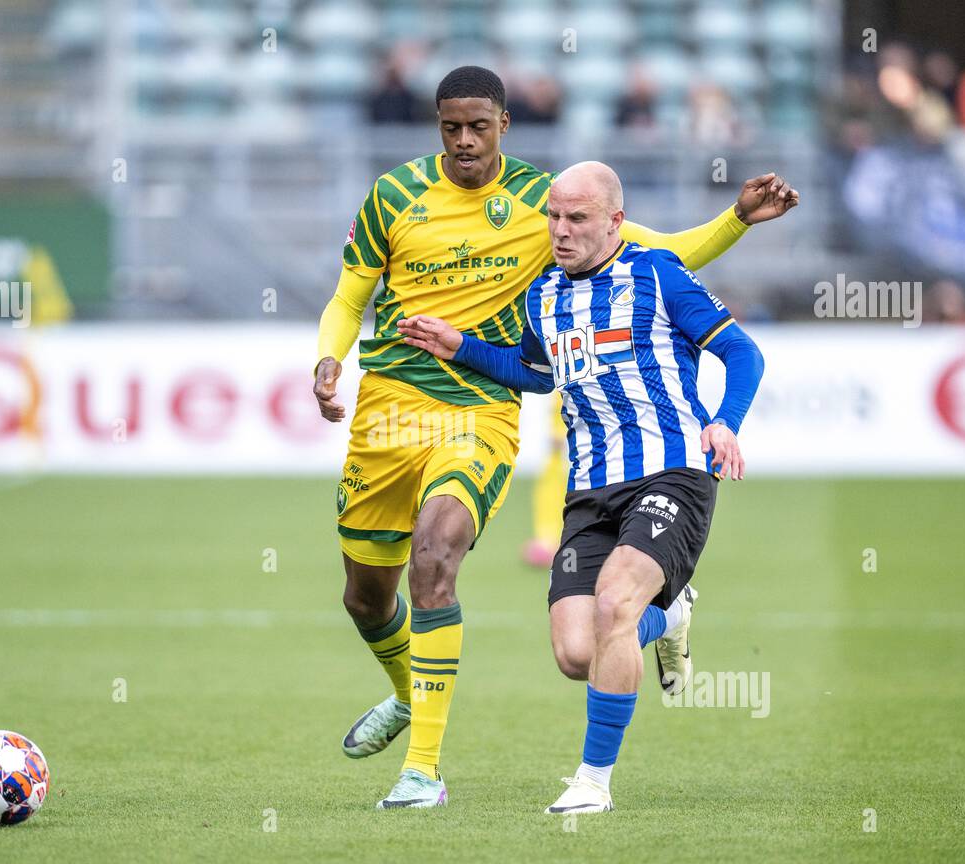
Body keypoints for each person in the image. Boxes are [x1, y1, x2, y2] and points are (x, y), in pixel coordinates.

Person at [314, 66, 797, 810]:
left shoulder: (598, 235)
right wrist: (381, 351)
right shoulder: (434, 222)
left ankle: (494, 776)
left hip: (562, 442)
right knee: (395, 607)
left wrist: (735, 220)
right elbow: (508, 362)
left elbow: (686, 278)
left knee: (455, 564)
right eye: (451, 126)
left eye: (479, 125)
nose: (465, 139)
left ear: (505, 124)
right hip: (435, 430)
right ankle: (659, 616)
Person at [399, 162, 766, 812]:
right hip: (590, 490)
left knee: (614, 607)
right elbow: (535, 374)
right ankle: (673, 613)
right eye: (554, 217)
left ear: (615, 222)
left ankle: (592, 782)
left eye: (577, 219)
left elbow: (743, 352)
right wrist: (460, 347)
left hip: (672, 469)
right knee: (576, 654)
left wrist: (725, 425)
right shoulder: (542, 294)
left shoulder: (657, 273)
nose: (560, 231)